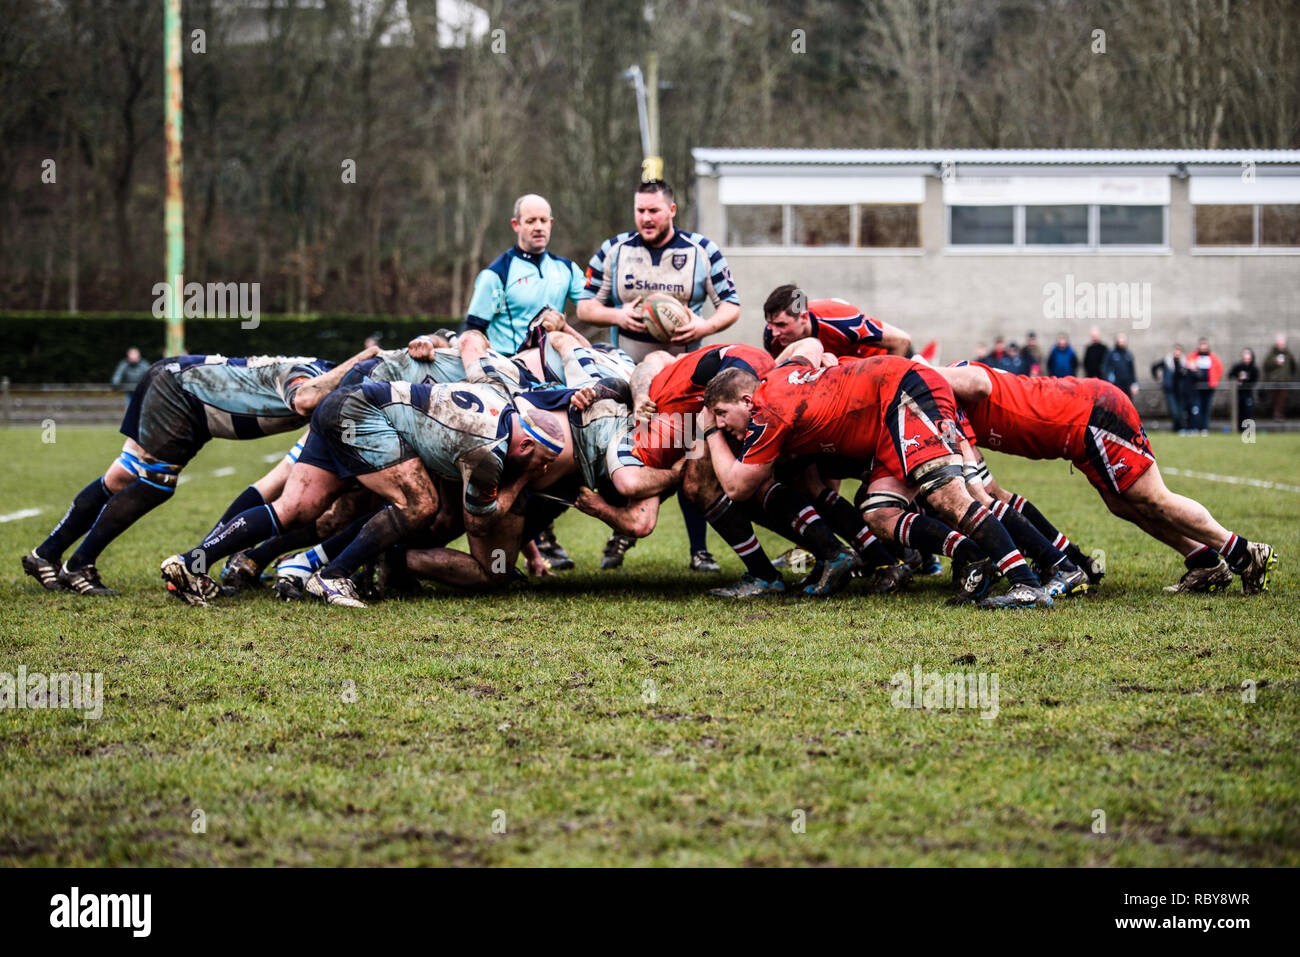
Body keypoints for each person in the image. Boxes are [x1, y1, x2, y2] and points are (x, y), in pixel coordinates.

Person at [700, 355, 1055, 609]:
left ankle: (1027, 583)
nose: (722, 422)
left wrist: (710, 431)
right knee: (878, 512)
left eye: (721, 412)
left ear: (746, 400)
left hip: (904, 393)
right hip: (886, 416)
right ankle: (969, 554)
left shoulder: (767, 413)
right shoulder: (780, 376)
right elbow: (807, 350)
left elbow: (736, 487)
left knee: (950, 498)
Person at [21, 350, 376, 595]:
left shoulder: (318, 375)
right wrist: (360, 360)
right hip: (180, 394)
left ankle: (47, 554)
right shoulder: (310, 376)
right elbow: (303, 401)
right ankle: (80, 564)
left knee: (121, 477)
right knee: (155, 484)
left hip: (177, 386)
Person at [935, 361, 1277, 595]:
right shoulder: (943, 400)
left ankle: (1245, 554)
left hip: (1090, 414)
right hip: (1078, 432)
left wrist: (924, 371)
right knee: (1122, 505)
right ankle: (1203, 560)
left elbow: (980, 383)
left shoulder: (945, 377)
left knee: (1153, 498)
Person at [577, 179, 741, 573]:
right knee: (628, 456)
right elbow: (584, 306)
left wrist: (703, 327)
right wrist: (618, 315)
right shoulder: (613, 251)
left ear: (672, 210)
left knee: (690, 453)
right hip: (626, 374)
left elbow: (731, 305)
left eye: (653, 210)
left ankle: (699, 549)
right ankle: (621, 533)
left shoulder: (702, 252)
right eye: (640, 210)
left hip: (683, 377)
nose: (646, 218)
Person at [462, 193, 586, 571]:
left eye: (544, 220)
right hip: (510, 384)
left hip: (551, 382)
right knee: (521, 463)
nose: (538, 227)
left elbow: (588, 311)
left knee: (565, 458)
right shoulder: (496, 274)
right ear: (516, 225)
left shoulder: (566, 269)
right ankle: (525, 546)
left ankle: (539, 537)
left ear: (552, 223)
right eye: (530, 220)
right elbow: (473, 330)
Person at [761, 286, 912, 360]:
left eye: (781, 325)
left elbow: (902, 341)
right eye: (771, 324)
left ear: (804, 318)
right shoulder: (772, 338)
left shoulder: (842, 321)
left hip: (878, 358)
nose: (775, 332)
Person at [1186, 338, 1222, 435]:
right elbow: (1188, 367)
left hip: (1209, 388)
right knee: (1197, 408)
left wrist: (1214, 382)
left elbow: (1219, 370)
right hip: (1196, 389)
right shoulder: (1192, 357)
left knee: (1206, 408)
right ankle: (1196, 427)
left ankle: (1204, 428)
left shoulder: (1213, 358)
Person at [1151, 344, 1188, 431]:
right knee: (1174, 411)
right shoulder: (1167, 361)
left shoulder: (1184, 363)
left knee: (1180, 411)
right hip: (1170, 390)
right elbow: (1154, 367)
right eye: (1176, 350)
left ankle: (1178, 429)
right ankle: (1178, 428)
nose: (1177, 353)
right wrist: (1157, 377)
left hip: (1180, 391)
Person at [1263, 333, 1296, 421]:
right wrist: (1275, 362)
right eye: (1280, 344)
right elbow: (1266, 365)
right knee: (1275, 398)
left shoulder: (1288, 354)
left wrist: (1289, 376)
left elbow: (1293, 366)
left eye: (1283, 344)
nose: (1281, 345)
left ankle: (1278, 415)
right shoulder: (1272, 354)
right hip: (1274, 381)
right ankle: (1276, 415)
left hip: (1285, 381)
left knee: (1282, 399)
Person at [1228, 348, 1259, 432]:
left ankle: (1248, 429)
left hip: (1248, 393)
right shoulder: (1238, 367)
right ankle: (1238, 429)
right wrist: (1237, 380)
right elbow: (1230, 375)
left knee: (1248, 412)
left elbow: (1255, 380)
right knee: (1239, 412)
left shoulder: (1253, 369)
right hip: (1239, 393)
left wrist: (1247, 380)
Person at [1102, 333, 1138, 398]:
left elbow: (1132, 370)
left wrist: (1134, 383)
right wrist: (1109, 382)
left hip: (1127, 386)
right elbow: (1106, 369)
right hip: (1116, 386)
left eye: (1123, 341)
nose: (1121, 343)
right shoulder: (1111, 353)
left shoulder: (1128, 354)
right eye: (1120, 341)